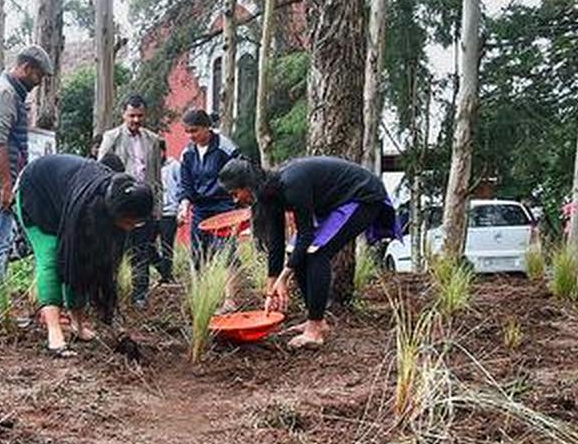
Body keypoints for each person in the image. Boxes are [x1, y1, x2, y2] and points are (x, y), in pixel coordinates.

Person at [218, 156, 399, 349]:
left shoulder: (291, 184)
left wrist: (284, 278)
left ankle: (315, 330)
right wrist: (271, 286)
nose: (235, 200)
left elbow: (306, 236)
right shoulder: (267, 195)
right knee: (295, 253)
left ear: (248, 184)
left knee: (316, 252)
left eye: (235, 193)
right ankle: (315, 319)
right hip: (334, 203)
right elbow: (276, 243)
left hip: (361, 196)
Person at [16, 154, 156, 356]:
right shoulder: (87, 207)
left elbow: (88, 264)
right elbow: (71, 257)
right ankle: (54, 335)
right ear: (116, 213)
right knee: (52, 257)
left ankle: (77, 326)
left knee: (84, 261)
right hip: (37, 195)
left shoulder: (114, 198)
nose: (133, 227)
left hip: (62, 196)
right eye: (131, 222)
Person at [0, 45, 53, 326]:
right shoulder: (5, 94)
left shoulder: (11, 94)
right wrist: (7, 183)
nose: (39, 82)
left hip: (0, 182)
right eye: (39, 75)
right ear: (27, 68)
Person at [98, 94, 163, 307]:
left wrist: (157, 209)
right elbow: (101, 171)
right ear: (123, 114)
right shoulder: (111, 137)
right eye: (132, 115)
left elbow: (156, 176)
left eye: (140, 116)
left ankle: (140, 295)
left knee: (141, 251)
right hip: (119, 207)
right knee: (115, 251)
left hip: (144, 206)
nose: (136, 120)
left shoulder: (153, 140)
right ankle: (110, 292)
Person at [178, 108, 240, 310]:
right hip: (200, 208)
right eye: (187, 131)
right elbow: (186, 183)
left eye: (194, 131)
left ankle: (230, 299)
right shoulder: (188, 153)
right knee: (198, 253)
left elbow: (240, 172)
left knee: (225, 251)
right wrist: (184, 204)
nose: (191, 136)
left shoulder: (225, 147)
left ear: (206, 128)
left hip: (224, 205)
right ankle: (202, 296)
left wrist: (237, 202)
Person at [157, 142, 181, 283]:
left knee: (167, 246)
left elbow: (181, 186)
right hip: (153, 212)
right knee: (146, 246)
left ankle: (166, 277)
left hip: (169, 212)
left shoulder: (174, 166)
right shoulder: (148, 167)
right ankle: (163, 270)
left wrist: (179, 210)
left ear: (164, 151)